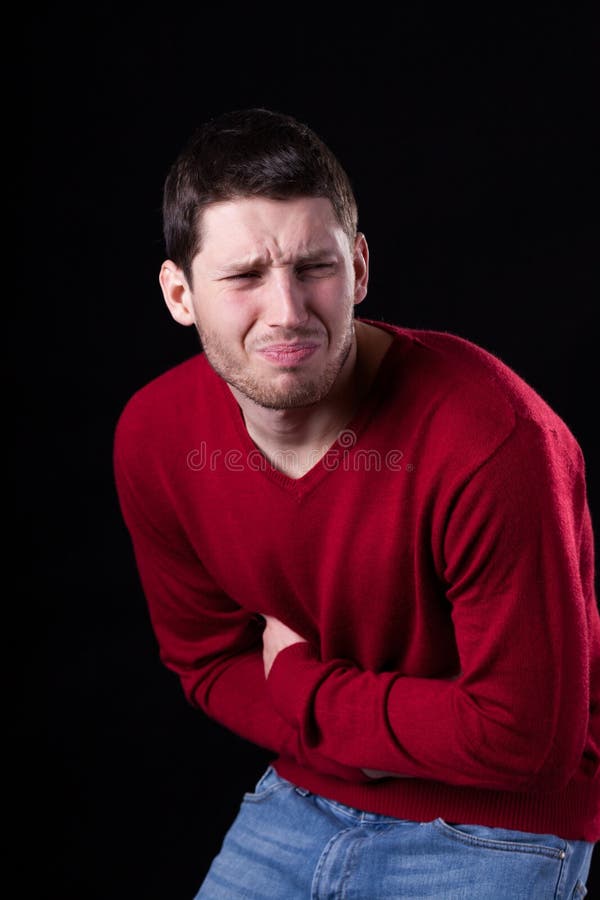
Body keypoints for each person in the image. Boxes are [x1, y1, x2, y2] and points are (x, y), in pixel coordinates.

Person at [113, 107, 599, 898]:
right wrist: (347, 741)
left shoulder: (492, 441)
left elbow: (530, 743)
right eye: (243, 277)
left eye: (315, 268)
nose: (288, 312)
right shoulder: (155, 436)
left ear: (361, 268)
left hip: (504, 823)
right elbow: (204, 662)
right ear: (179, 294)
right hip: (302, 796)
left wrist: (304, 687)